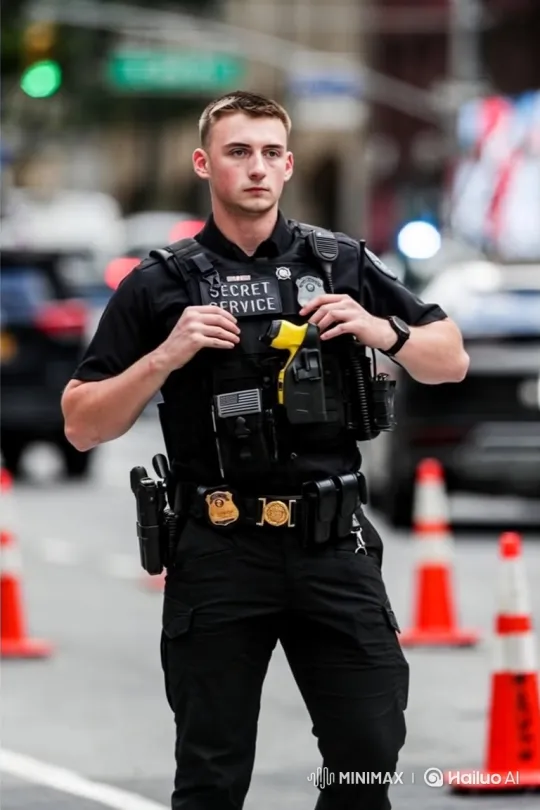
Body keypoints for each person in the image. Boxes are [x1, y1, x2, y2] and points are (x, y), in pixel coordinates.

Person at [61, 90, 469, 810]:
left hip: (331, 546)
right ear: (203, 163)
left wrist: (384, 332)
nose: (257, 168)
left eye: (271, 153)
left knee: (368, 754)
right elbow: (82, 424)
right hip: (220, 550)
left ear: (288, 165)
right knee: (212, 776)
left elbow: (450, 359)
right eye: (238, 152)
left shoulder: (340, 262)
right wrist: (165, 355)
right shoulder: (160, 284)